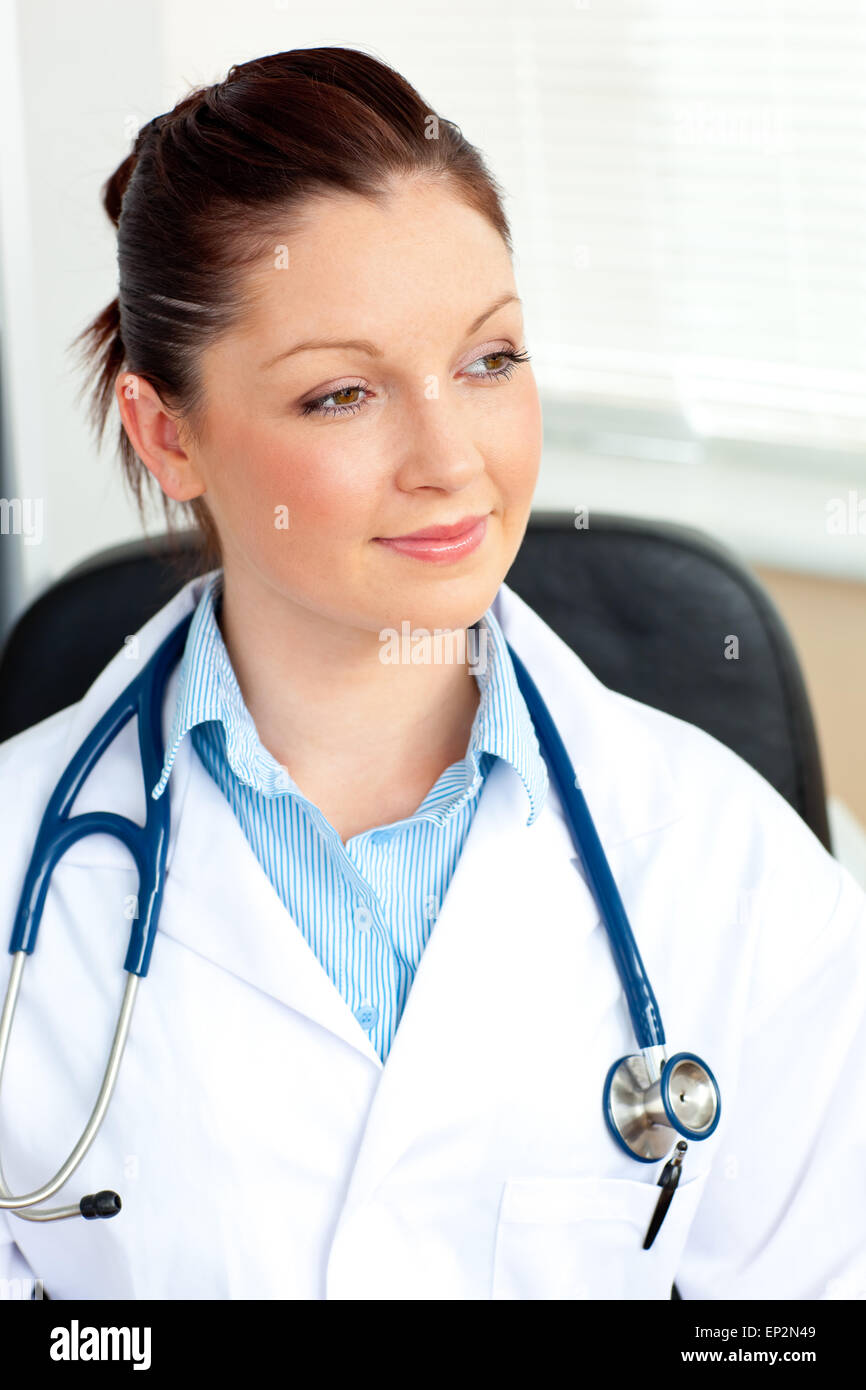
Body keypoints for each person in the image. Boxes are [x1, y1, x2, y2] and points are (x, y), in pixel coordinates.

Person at [0, 46, 864, 1301]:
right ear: (166, 432)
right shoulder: (22, 866)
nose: (450, 458)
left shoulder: (728, 861)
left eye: (488, 360)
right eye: (342, 393)